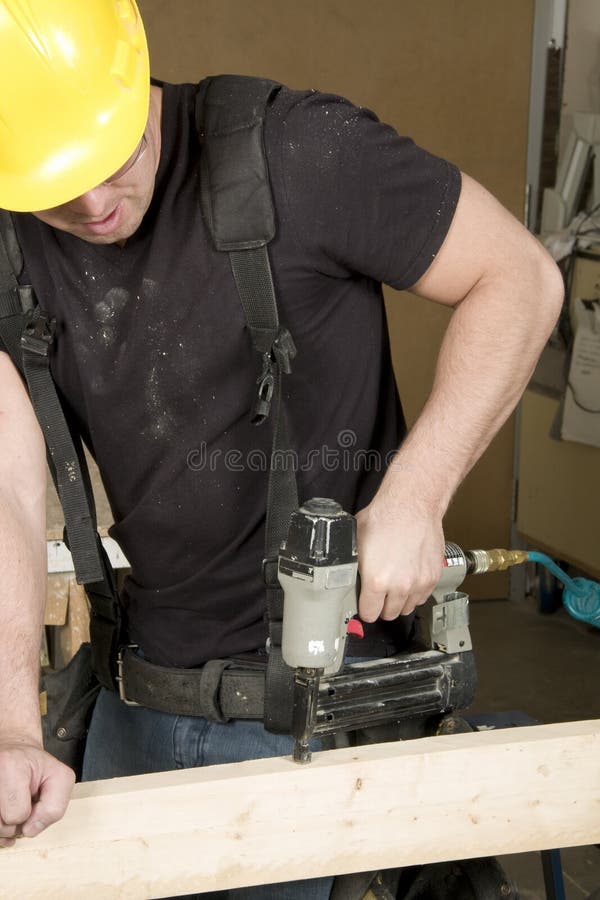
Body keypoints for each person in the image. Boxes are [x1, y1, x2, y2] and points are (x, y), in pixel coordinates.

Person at [0, 1, 563, 897]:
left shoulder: (297, 153)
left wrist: (416, 494)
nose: (95, 205)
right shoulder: (9, 235)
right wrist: (13, 733)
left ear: (133, 78)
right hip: (132, 700)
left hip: (313, 707)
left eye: (113, 162)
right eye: (53, 191)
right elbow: (9, 492)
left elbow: (521, 278)